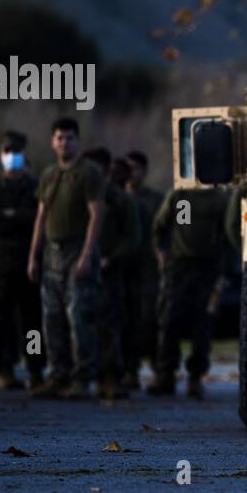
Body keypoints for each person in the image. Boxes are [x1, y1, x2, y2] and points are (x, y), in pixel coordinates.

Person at [27, 118, 106, 399]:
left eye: (70, 138)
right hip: (51, 253)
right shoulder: (48, 174)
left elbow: (96, 215)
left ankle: (82, 378)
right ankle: (57, 375)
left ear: (78, 141)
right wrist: (33, 256)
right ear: (53, 141)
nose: (64, 142)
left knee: (78, 317)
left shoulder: (89, 172)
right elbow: (41, 216)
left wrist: (87, 254)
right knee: (51, 319)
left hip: (77, 251)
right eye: (59, 138)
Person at [0, 131, 44, 395]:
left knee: (32, 327)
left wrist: (13, 216)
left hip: (29, 264)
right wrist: (20, 218)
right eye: (7, 151)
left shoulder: (35, 187)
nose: (11, 156)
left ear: (24, 154)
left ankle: (35, 372)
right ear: (0, 155)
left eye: (16, 151)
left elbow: (37, 221)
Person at [149, 184, 228, 399]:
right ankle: (166, 374)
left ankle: (195, 377)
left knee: (203, 323)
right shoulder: (179, 196)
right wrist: (162, 255)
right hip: (179, 266)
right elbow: (159, 226)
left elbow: (228, 232)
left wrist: (224, 272)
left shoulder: (219, 198)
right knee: (169, 320)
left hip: (208, 268)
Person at [83, 148, 141, 401]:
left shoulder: (120, 199)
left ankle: (111, 377)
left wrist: (111, 258)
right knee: (83, 324)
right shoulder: (81, 196)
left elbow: (133, 238)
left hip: (110, 272)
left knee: (109, 326)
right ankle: (84, 375)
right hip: (80, 268)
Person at [122, 151, 164, 389]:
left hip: (148, 266)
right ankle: (130, 371)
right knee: (125, 320)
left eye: (136, 168)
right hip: (124, 266)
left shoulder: (155, 199)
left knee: (149, 318)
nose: (132, 173)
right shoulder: (114, 196)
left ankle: (159, 370)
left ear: (144, 171)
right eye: (128, 168)